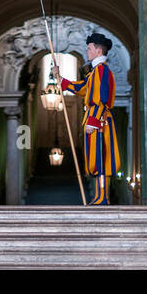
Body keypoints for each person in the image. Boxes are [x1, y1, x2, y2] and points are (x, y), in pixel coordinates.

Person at [60, 31, 120, 206]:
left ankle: (103, 197)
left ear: (98, 51)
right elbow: (82, 87)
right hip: (96, 121)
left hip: (100, 122)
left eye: (89, 48)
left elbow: (101, 99)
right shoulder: (95, 72)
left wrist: (92, 122)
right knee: (95, 160)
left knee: (101, 160)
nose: (87, 51)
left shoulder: (102, 71)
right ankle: (99, 195)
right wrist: (60, 79)